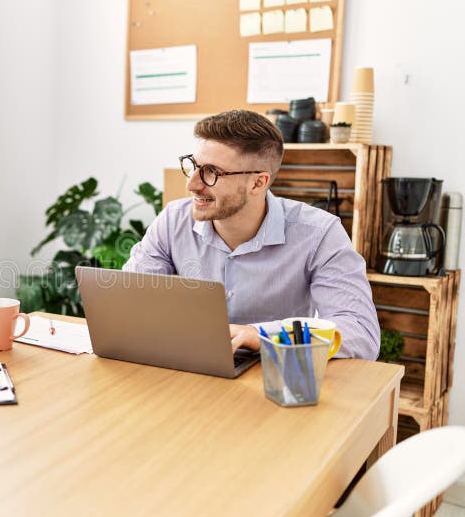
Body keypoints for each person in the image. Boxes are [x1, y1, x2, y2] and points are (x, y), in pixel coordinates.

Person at [123, 110, 379, 359]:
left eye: (212, 172)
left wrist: (262, 335)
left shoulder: (319, 234)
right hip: (188, 369)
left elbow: (360, 332)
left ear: (258, 183)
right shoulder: (173, 220)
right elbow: (131, 302)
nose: (192, 184)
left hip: (271, 378)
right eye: (193, 165)